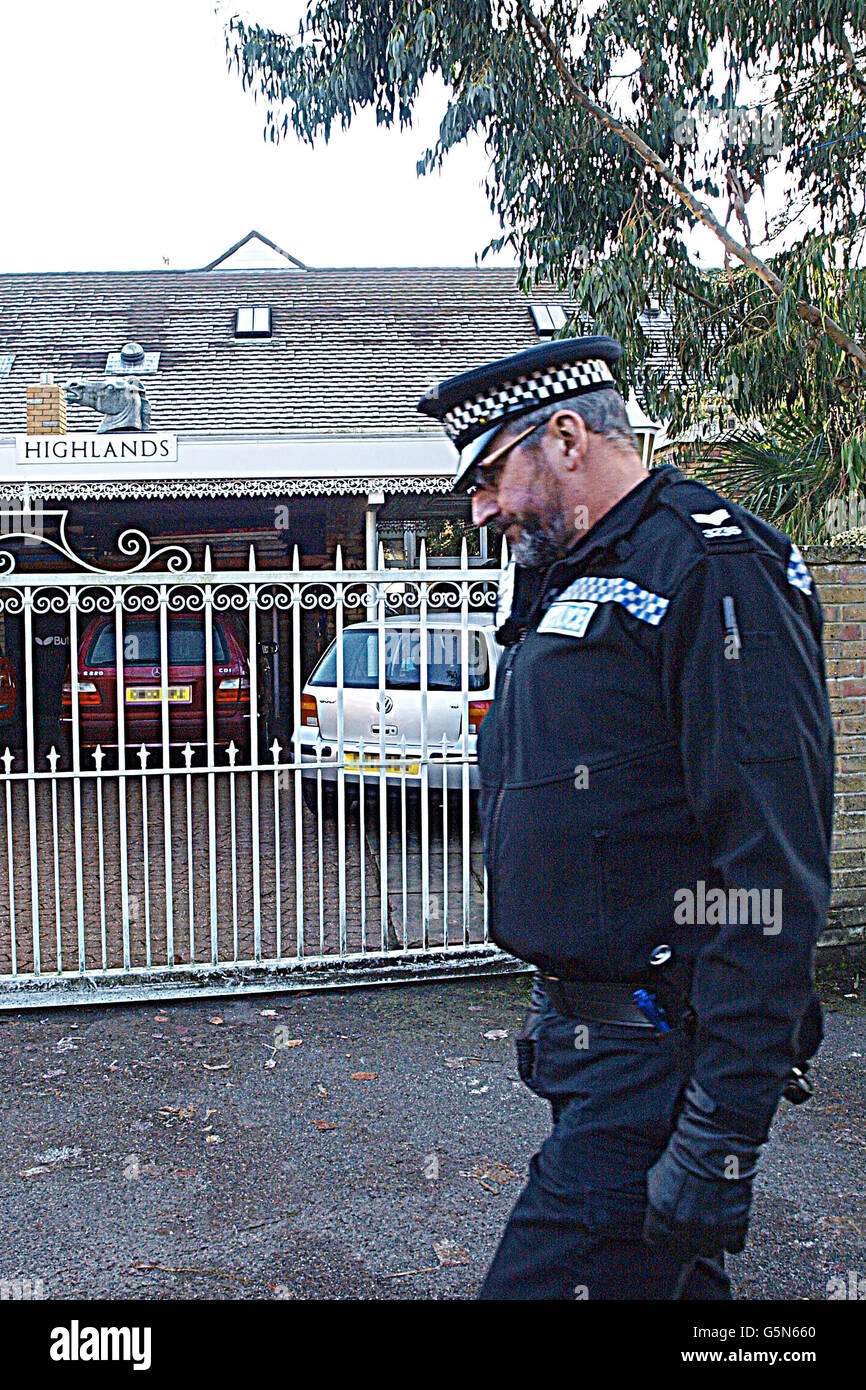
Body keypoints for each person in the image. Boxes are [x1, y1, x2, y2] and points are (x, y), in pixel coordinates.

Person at [417, 337, 834, 1300]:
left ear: (564, 438)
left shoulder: (711, 569)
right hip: (594, 1044)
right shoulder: (570, 573)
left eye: (488, 474)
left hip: (660, 1055)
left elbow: (769, 870)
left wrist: (724, 1132)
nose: (480, 509)